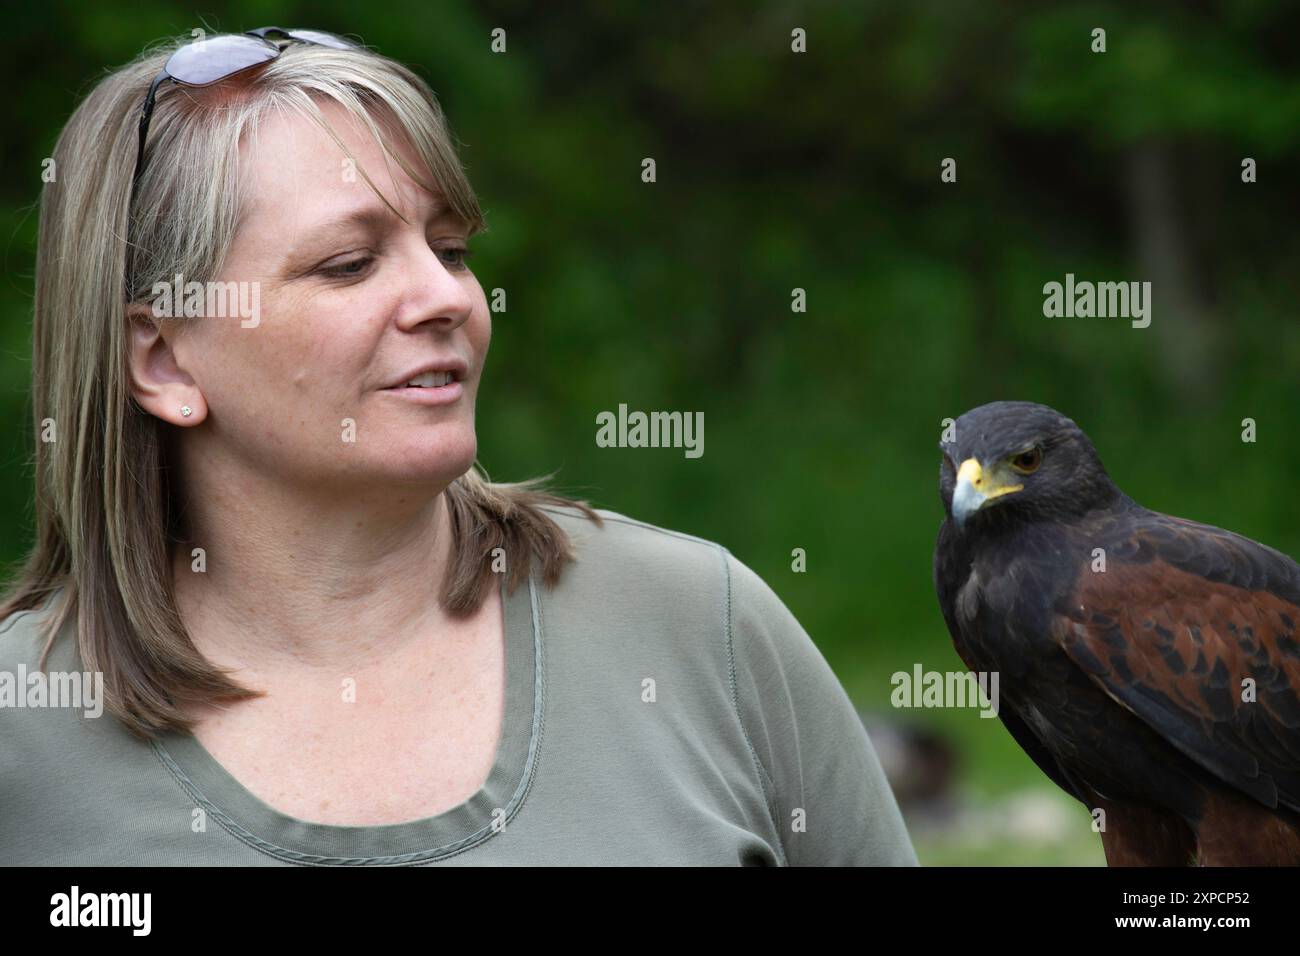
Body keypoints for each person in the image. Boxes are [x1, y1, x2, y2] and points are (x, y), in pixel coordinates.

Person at [0, 27, 917, 866]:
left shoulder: (694, 627)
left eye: (450, 249)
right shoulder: (24, 731)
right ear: (162, 361)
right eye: (349, 264)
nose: (444, 297)